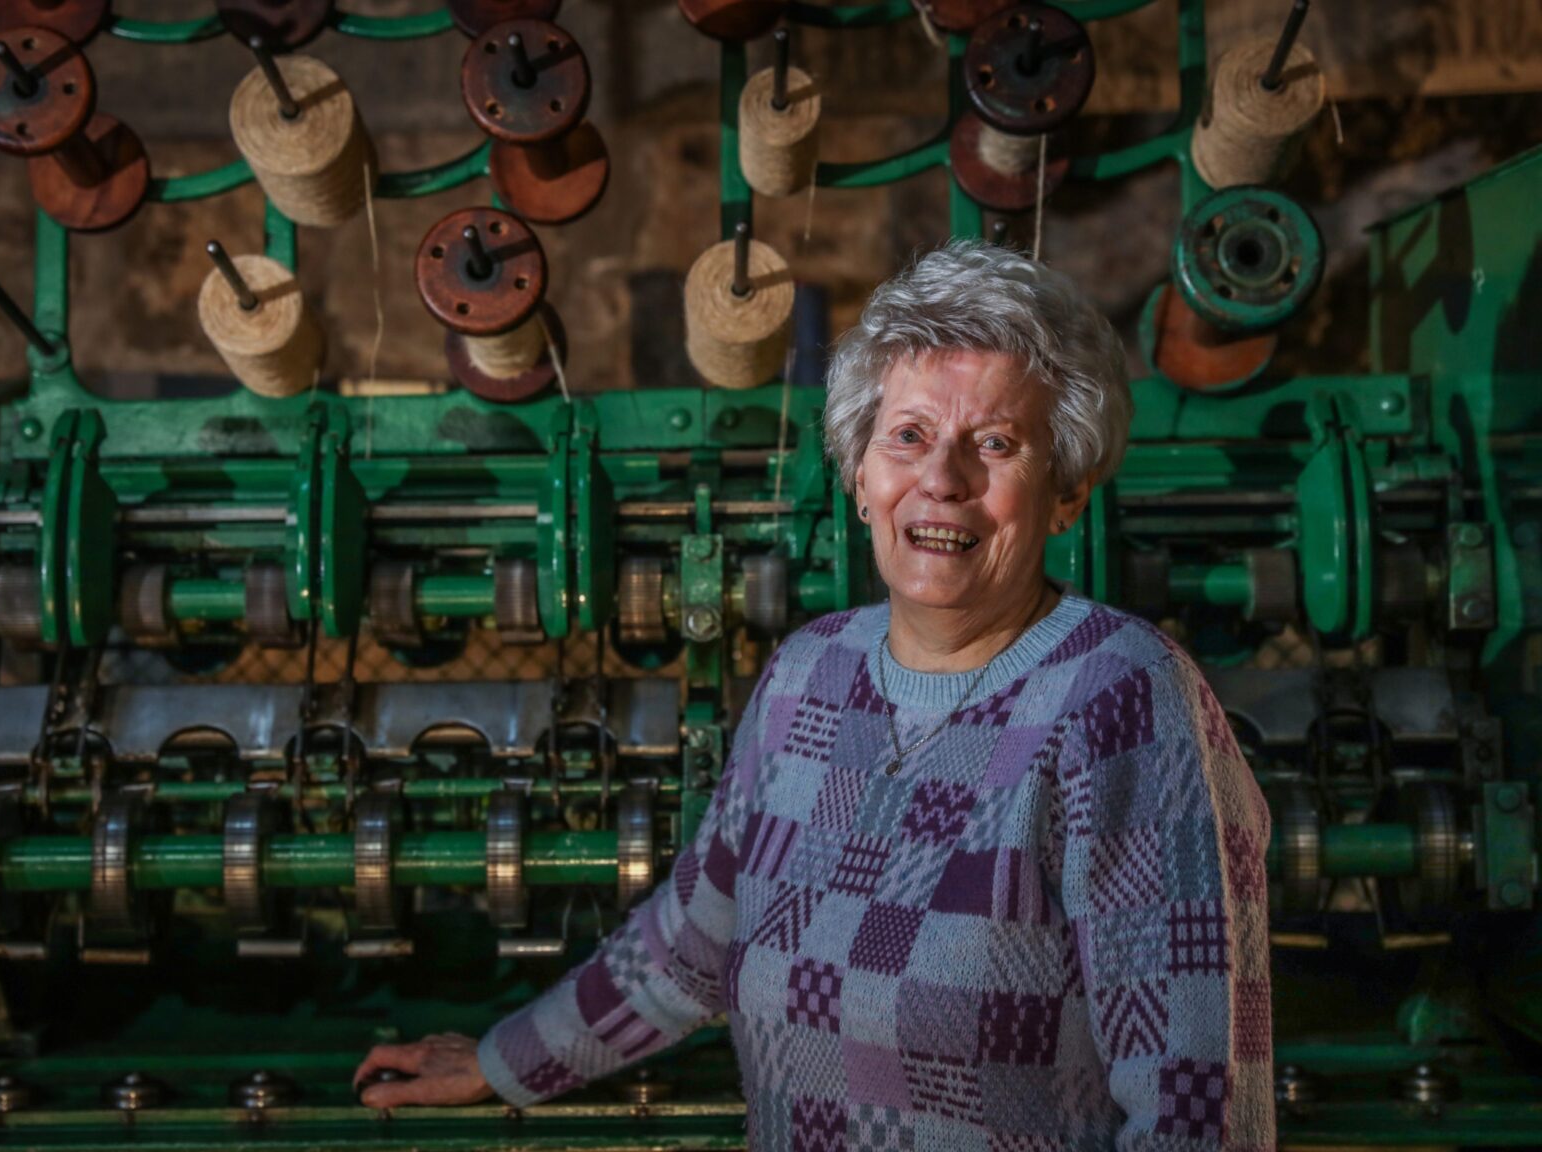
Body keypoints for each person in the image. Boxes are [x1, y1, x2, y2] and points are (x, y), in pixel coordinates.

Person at [355, 240, 1275, 1149]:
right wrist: (502, 1061)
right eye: (907, 437)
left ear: (1066, 492)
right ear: (861, 476)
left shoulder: (1121, 696)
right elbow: (693, 941)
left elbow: (1194, 1101)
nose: (942, 481)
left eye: (994, 444)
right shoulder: (812, 673)